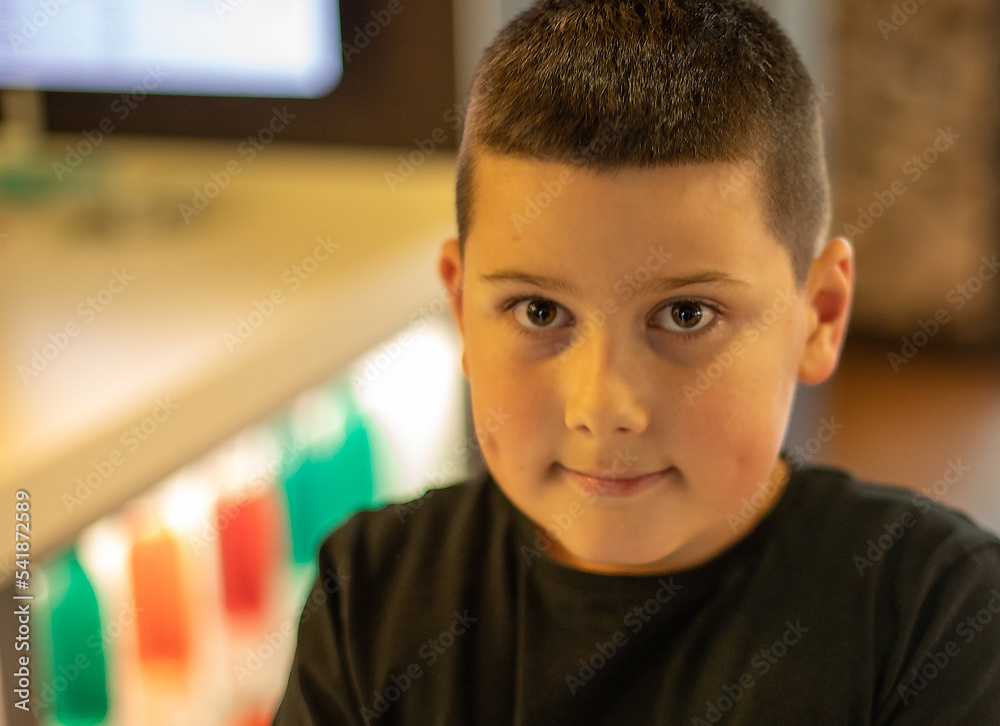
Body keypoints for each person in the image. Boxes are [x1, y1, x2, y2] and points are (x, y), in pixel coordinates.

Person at [271, 1, 1000, 723]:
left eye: (687, 315)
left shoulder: (938, 613)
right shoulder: (369, 591)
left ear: (820, 316)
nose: (603, 405)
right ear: (462, 309)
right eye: (539, 312)